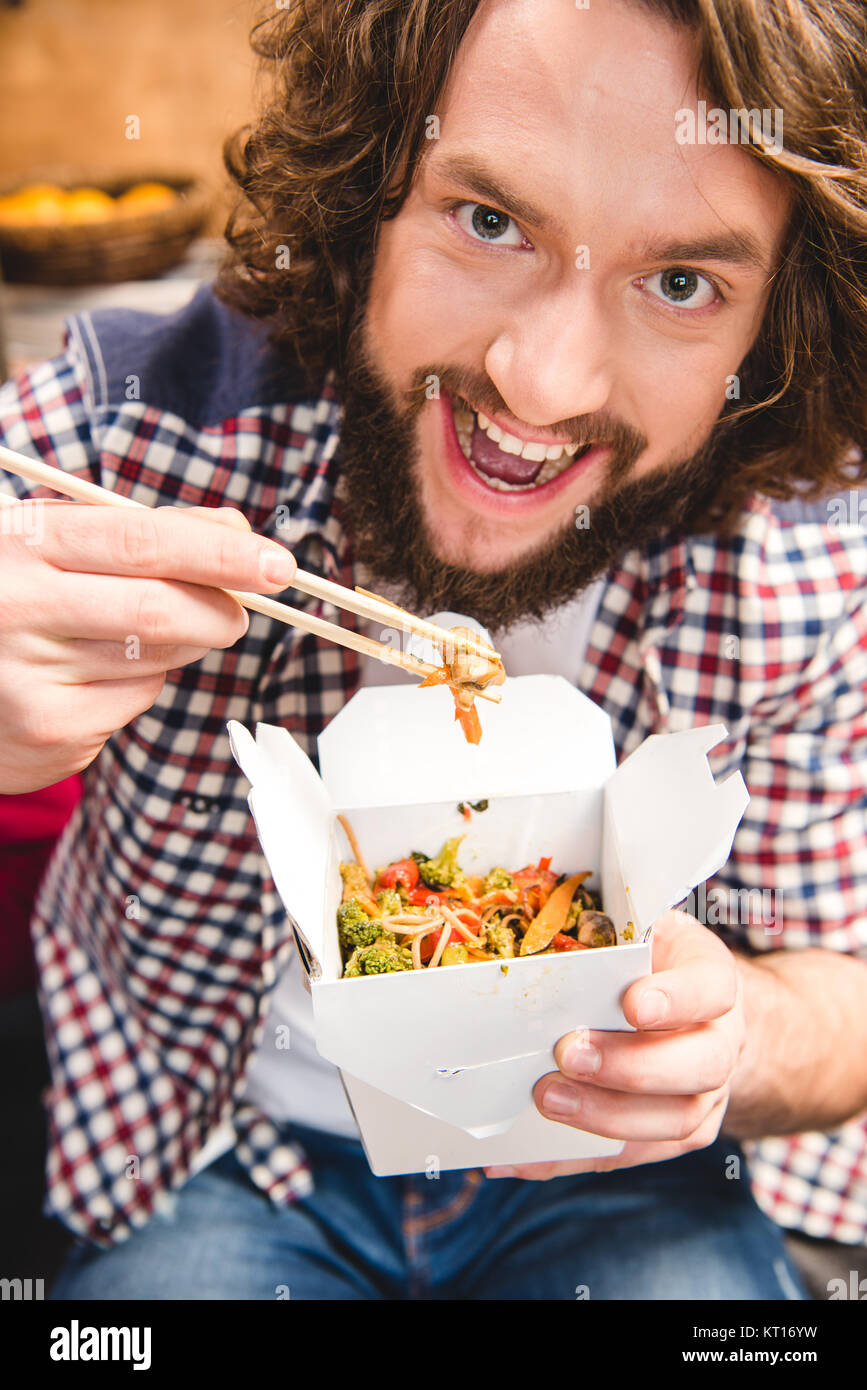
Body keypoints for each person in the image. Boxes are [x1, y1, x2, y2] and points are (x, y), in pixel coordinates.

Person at [1, 0, 865, 1300]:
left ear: (776, 328)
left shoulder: (810, 556)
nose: (543, 383)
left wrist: (739, 1035)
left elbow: (843, 988)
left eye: (682, 281)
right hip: (221, 1149)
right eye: (490, 219)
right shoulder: (137, 433)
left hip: (619, 1178)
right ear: (369, 198)